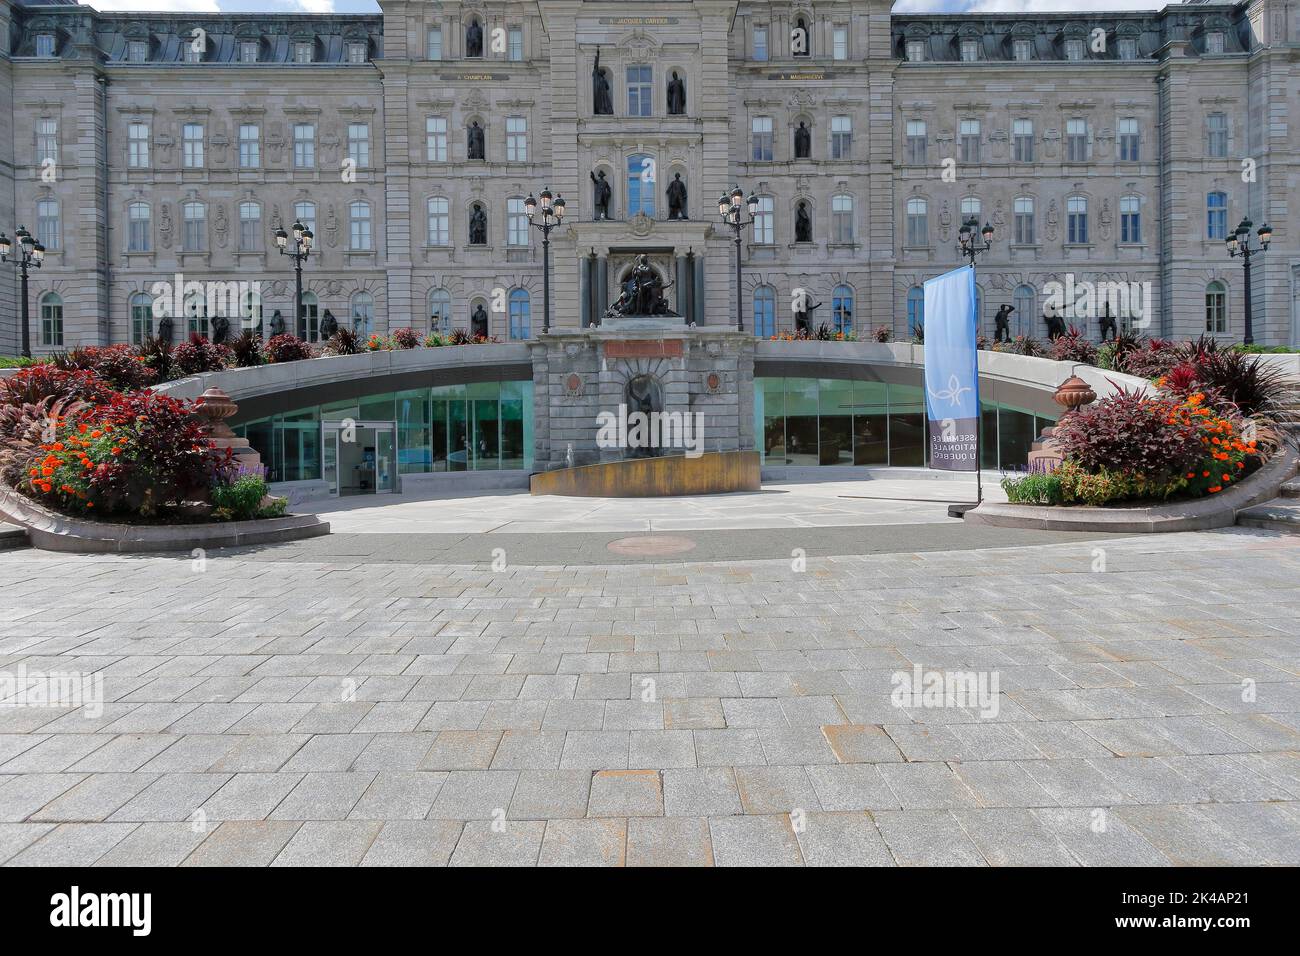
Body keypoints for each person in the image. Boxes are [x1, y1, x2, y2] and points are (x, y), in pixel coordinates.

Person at [592, 49, 613, 115]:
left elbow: (607, 87)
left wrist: (604, 85)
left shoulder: (603, 79)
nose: (601, 72)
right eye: (601, 71)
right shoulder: (596, 76)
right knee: (600, 104)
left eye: (603, 72)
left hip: (603, 94)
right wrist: (597, 56)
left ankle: (605, 111)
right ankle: (600, 110)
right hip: (598, 93)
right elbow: (595, 65)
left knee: (605, 104)